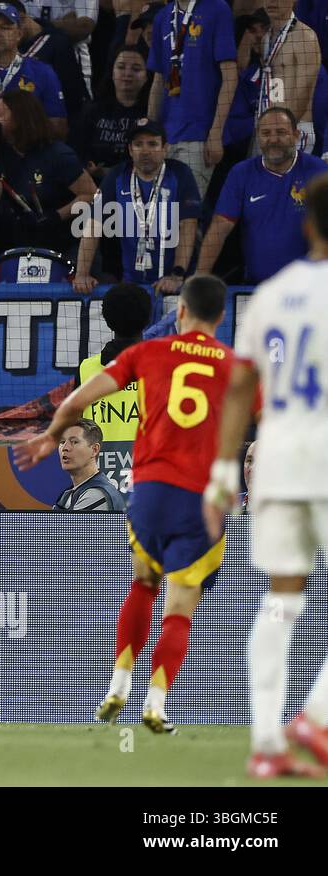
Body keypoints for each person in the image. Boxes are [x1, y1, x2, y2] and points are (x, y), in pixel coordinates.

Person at [16, 275, 236, 736]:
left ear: (178, 314)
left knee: (142, 584)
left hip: (146, 490)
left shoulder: (143, 356)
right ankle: (156, 702)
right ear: (221, 317)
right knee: (180, 605)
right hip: (198, 494)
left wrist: (48, 437)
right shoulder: (237, 367)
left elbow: (77, 400)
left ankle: (119, 682)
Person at [203, 175, 328, 778]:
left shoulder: (272, 294)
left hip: (275, 459)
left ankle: (266, 745)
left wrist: (226, 471)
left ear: (307, 226)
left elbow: (239, 393)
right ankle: (314, 718)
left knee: (281, 603)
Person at [146, 0, 238, 199]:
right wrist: (149, 133)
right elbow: (158, 80)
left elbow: (230, 75)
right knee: (161, 215)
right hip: (165, 136)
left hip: (199, 135)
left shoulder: (217, 9)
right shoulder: (163, 17)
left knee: (185, 215)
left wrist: (216, 133)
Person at [197, 106, 328, 282]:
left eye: (281, 132)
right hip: (256, 288)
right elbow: (220, 228)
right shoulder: (241, 173)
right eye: (266, 133)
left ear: (296, 135)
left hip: (309, 285)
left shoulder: (319, 170)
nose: (273, 139)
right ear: (258, 137)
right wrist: (198, 277)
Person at [74, 119, 202, 293]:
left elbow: (188, 225)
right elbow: (93, 225)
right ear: (130, 150)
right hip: (131, 284)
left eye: (152, 144)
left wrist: (176, 275)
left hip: (176, 286)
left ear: (165, 148)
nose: (145, 151)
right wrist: (81, 274)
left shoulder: (180, 174)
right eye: (138, 144)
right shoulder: (117, 176)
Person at [0, 88, 96, 263]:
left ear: (20, 118)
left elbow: (90, 194)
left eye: (0, 114)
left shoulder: (57, 154)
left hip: (56, 240)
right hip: (9, 242)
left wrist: (56, 216)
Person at [0, 0, 67, 134]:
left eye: (5, 28)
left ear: (19, 34)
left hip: (25, 151)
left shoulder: (42, 73)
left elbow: (58, 126)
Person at [247, 0, 320, 152]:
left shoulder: (305, 37)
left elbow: (303, 93)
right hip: (267, 127)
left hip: (293, 130)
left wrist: (281, 130)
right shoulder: (266, 38)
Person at [75, 282, 152, 449]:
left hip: (99, 472)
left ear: (107, 320)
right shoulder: (168, 369)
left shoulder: (86, 369)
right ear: (148, 319)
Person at [73, 45, 151, 184]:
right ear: (112, 72)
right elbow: (77, 151)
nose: (127, 74)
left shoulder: (152, 114)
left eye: (136, 69)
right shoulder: (92, 111)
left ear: (147, 76)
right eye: (121, 67)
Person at [53, 420, 126, 512]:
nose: (65, 448)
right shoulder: (69, 494)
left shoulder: (96, 495)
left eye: (74, 442)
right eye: (62, 442)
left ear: (94, 450)